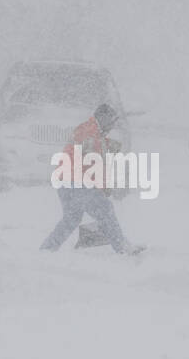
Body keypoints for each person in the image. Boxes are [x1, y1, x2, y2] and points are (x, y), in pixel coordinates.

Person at [40, 103, 143, 255]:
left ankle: (48, 248)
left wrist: (108, 146)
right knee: (105, 210)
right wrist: (104, 188)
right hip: (77, 182)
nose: (113, 125)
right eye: (111, 121)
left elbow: (90, 151)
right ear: (102, 118)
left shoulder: (89, 130)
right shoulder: (89, 133)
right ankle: (122, 248)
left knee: (71, 219)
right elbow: (91, 164)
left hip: (64, 182)